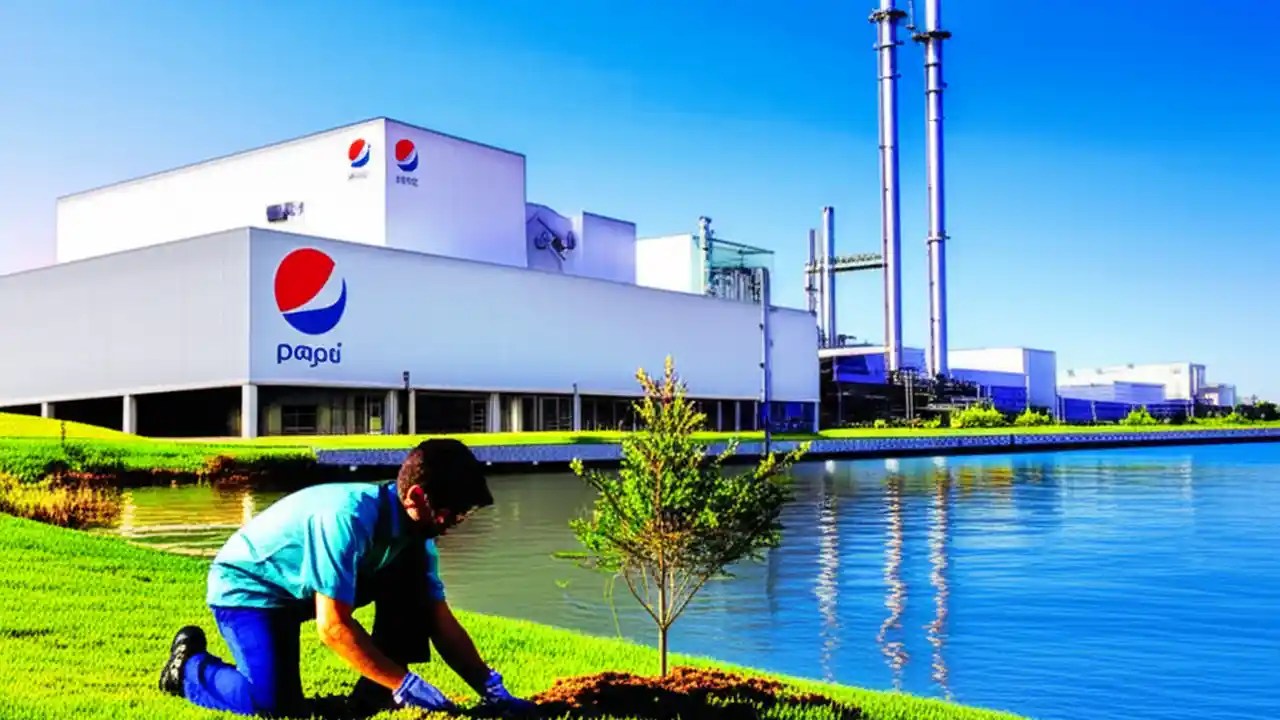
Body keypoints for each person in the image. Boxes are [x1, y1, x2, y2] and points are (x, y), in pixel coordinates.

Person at [157, 438, 537, 717]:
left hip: (303, 589)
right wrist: (405, 683)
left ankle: (370, 700)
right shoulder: (347, 519)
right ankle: (187, 669)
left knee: (415, 595)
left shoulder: (418, 538)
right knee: (274, 706)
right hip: (251, 590)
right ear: (417, 497)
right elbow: (333, 627)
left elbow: (438, 619)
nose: (455, 523)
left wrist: (492, 689)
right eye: (453, 513)